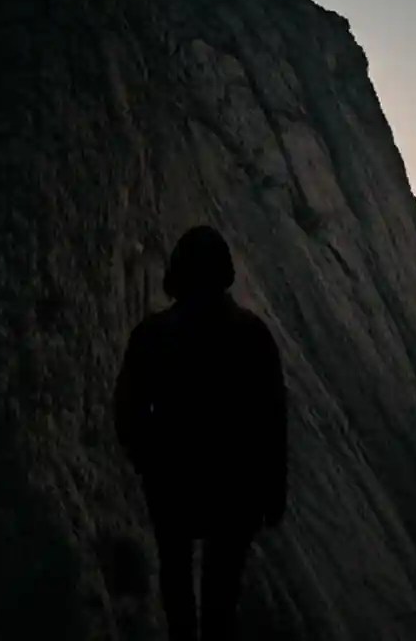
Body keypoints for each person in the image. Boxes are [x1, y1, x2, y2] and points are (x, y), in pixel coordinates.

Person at [114, 226, 287, 641]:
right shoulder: (252, 334)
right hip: (234, 486)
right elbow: (271, 418)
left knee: (179, 583)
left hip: (174, 480)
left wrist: (147, 457)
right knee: (220, 597)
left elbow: (127, 408)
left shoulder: (153, 334)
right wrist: (273, 488)